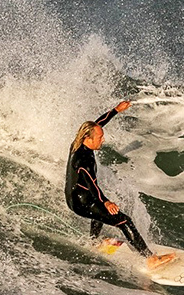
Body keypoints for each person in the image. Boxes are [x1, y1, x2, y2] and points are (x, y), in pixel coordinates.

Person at [65, 101, 175, 270]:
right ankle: (150, 259)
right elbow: (93, 186)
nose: (103, 139)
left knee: (98, 212)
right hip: (81, 202)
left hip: (75, 196)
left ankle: (94, 241)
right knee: (124, 220)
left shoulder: (78, 142)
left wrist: (116, 110)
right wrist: (107, 202)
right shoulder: (83, 160)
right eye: (100, 138)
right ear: (89, 138)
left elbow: (98, 123)